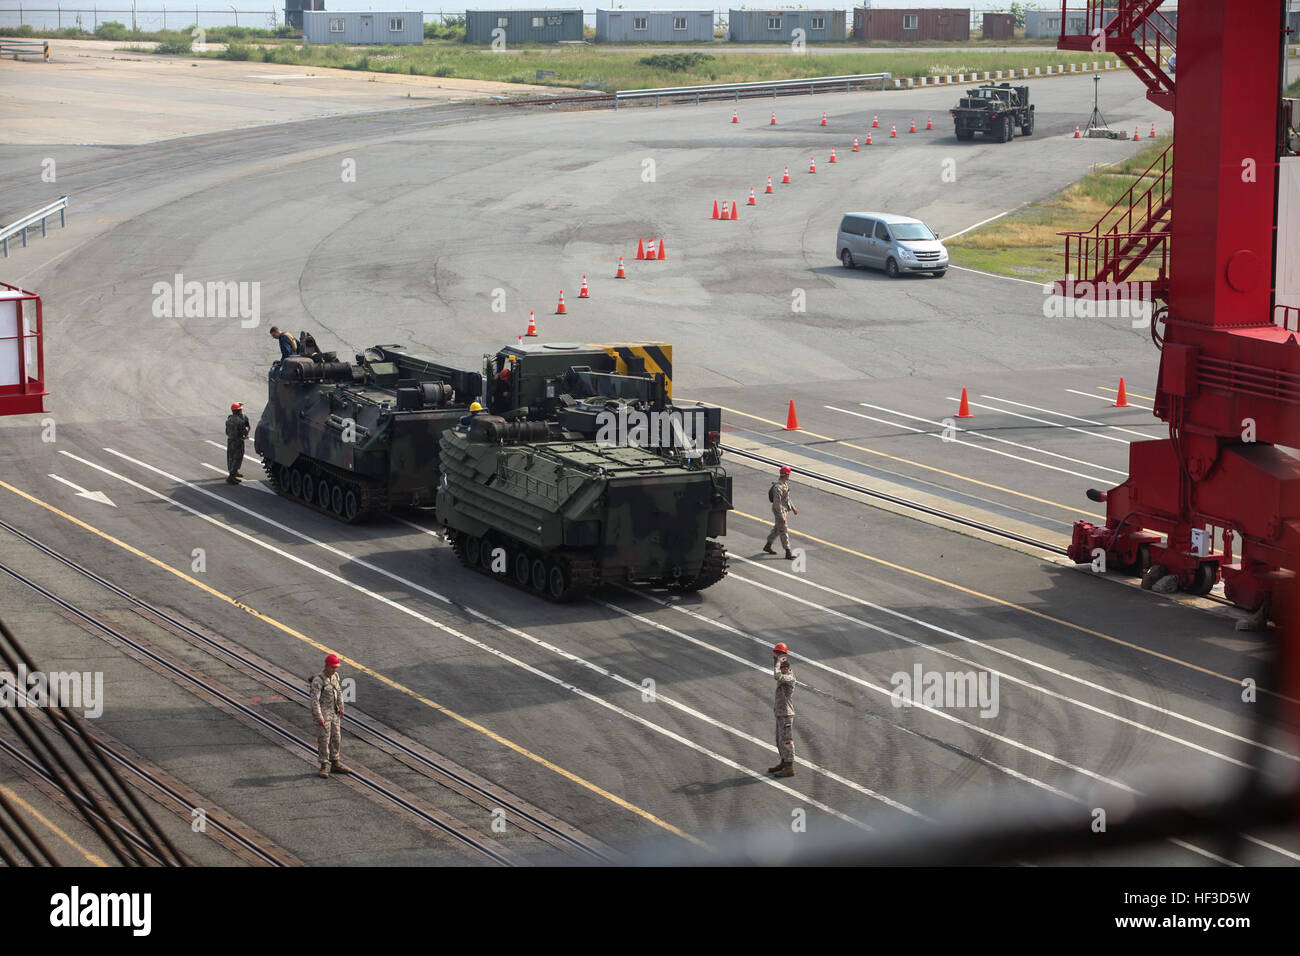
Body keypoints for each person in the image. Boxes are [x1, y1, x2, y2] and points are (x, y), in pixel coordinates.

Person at [311, 653, 350, 778]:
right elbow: (314, 701)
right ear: (326, 666)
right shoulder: (318, 681)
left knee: (336, 738)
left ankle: (335, 763)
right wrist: (319, 717)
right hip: (323, 714)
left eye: (336, 668)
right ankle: (323, 766)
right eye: (332, 667)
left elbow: (338, 692)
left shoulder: (335, 676)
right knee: (324, 740)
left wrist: (341, 707)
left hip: (334, 713)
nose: (334, 670)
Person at [769, 643, 796, 777]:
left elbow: (777, 676)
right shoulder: (783, 673)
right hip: (780, 713)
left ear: (787, 668)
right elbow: (778, 672)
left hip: (786, 713)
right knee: (779, 740)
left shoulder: (789, 677)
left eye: (783, 668)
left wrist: (778, 663)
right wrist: (777, 657)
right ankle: (784, 762)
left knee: (786, 740)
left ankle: (789, 767)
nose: (782, 670)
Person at [763, 465, 798, 559]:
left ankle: (768, 545)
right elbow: (777, 503)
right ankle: (788, 552)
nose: (789, 475)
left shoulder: (784, 485)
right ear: (786, 475)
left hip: (784, 510)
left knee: (777, 529)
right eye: (788, 474)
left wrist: (793, 508)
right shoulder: (778, 487)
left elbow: (787, 498)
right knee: (783, 530)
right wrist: (781, 516)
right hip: (779, 511)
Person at [225, 402, 250, 485]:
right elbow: (245, 433)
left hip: (230, 440)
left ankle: (234, 472)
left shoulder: (229, 419)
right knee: (237, 458)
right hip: (238, 441)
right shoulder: (240, 421)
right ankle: (231, 477)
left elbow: (227, 432)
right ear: (239, 411)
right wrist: (247, 428)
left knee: (231, 457)